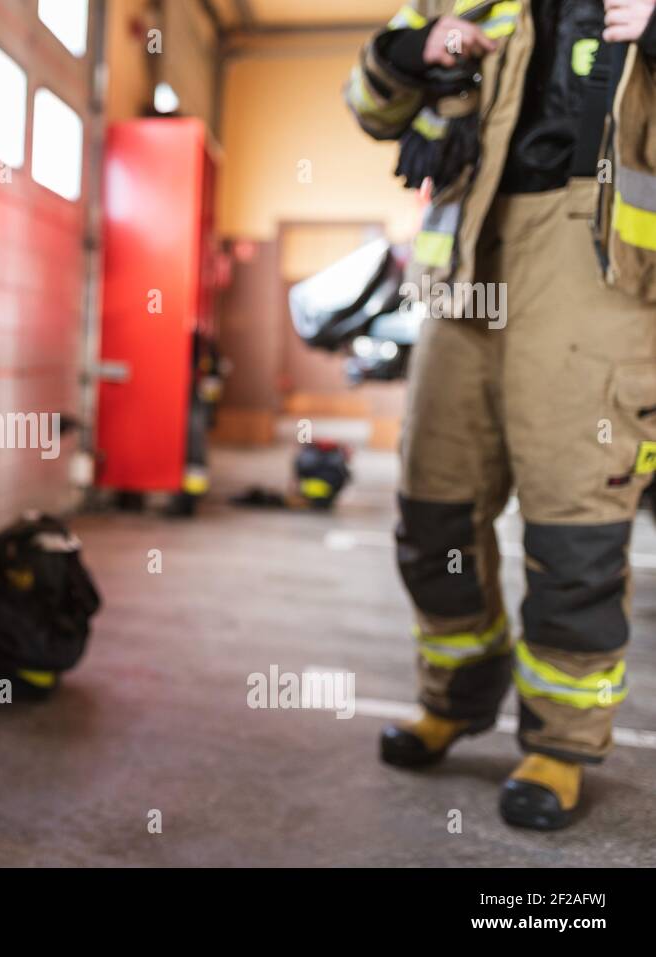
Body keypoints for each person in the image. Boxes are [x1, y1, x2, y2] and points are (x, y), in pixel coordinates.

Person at [347, 0, 656, 829]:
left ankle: (560, 742)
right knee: (432, 504)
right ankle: (456, 694)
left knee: (574, 519)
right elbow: (368, 104)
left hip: (600, 259)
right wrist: (417, 49)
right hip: (470, 258)